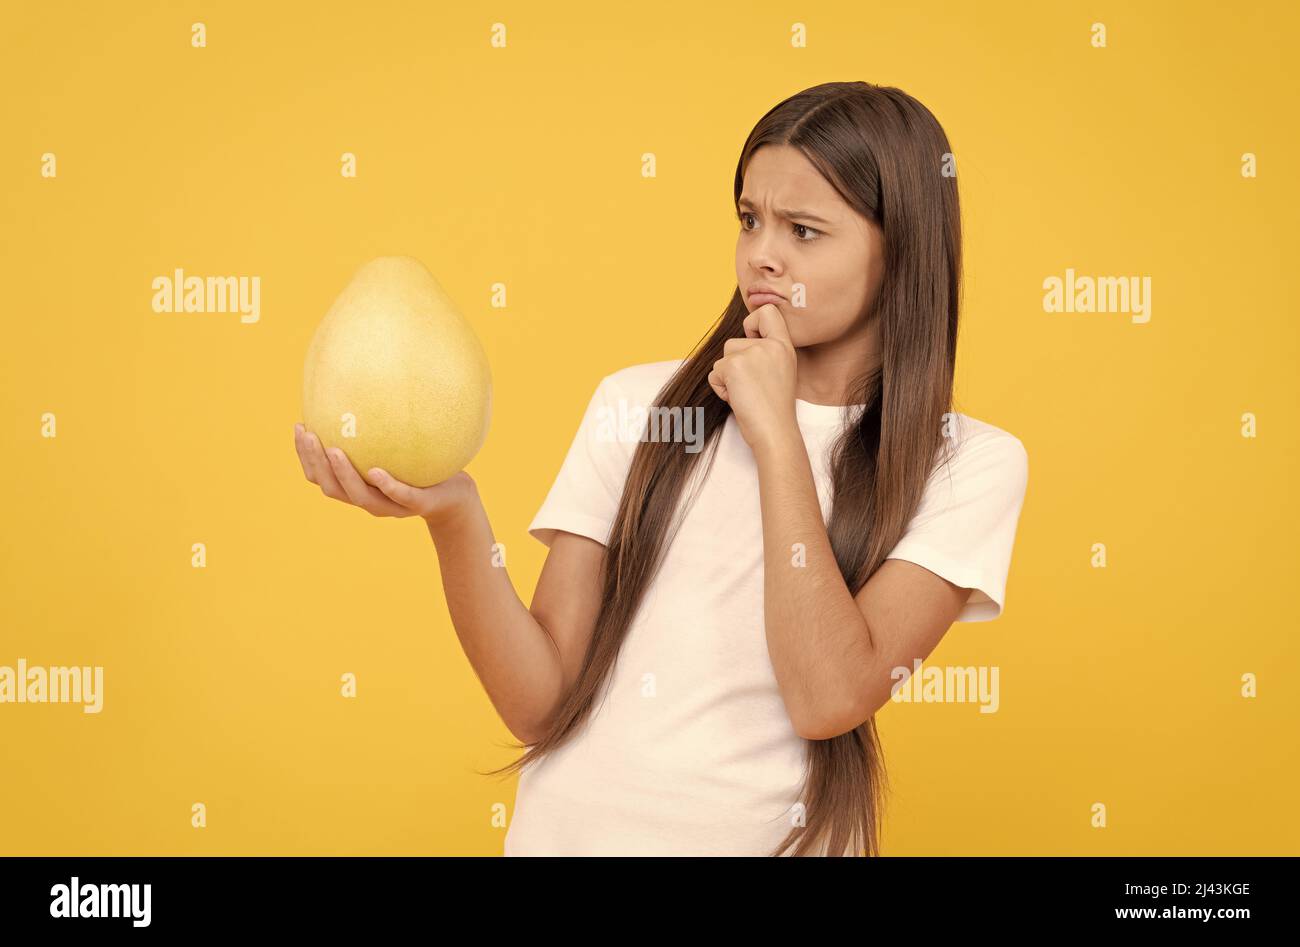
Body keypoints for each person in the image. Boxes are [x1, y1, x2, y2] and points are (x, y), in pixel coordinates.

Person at [292, 80, 1029, 857]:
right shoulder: (638, 404)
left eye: (804, 230)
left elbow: (828, 694)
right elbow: (542, 706)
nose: (762, 255)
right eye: (750, 220)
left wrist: (776, 435)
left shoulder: (967, 464)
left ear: (900, 250)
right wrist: (454, 515)